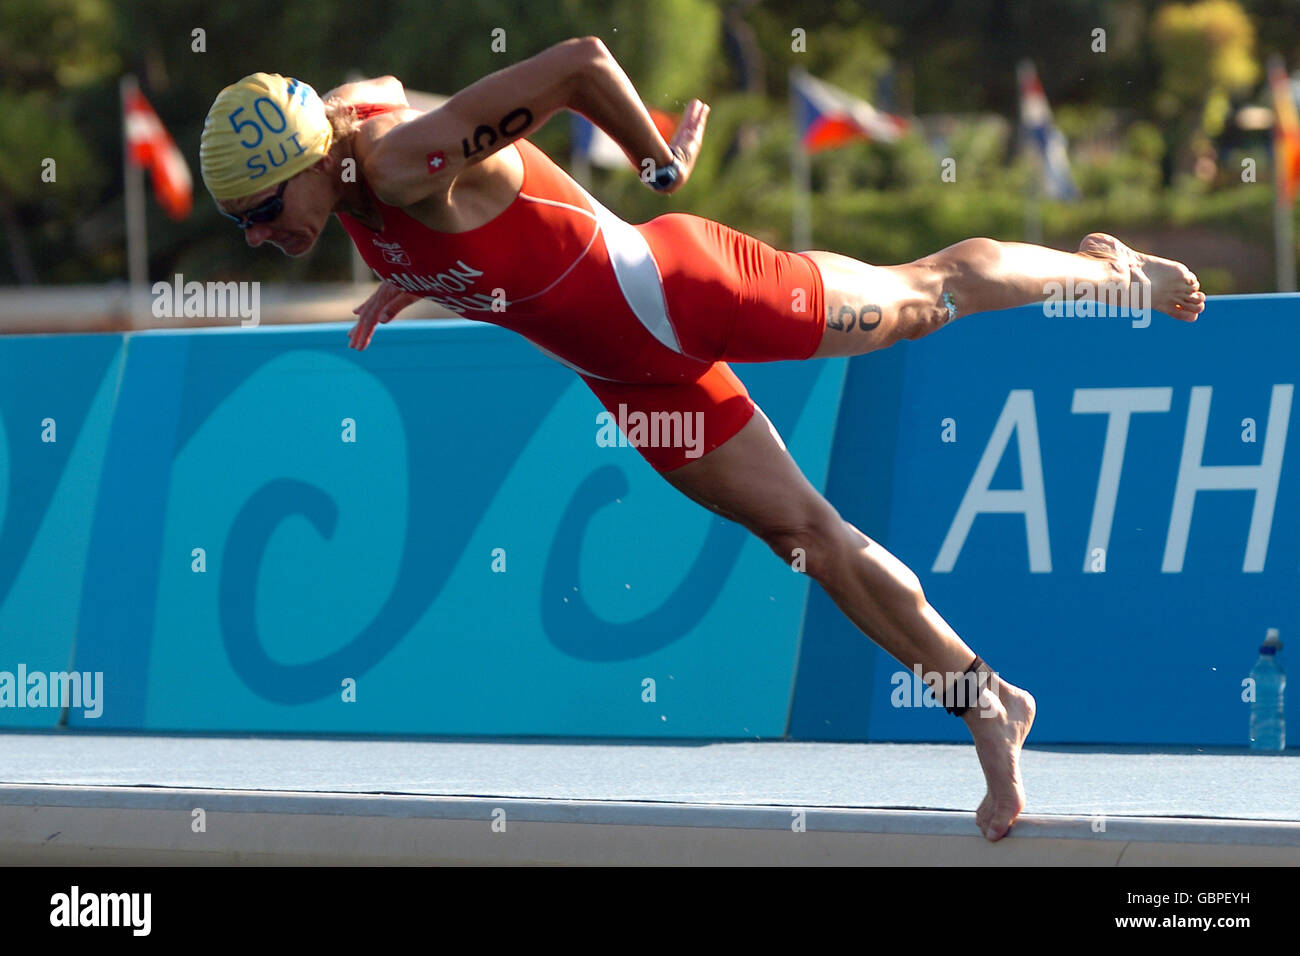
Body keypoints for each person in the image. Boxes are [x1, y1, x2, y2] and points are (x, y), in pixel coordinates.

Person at [199, 36, 1206, 842]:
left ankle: (1117, 274)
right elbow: (380, 99)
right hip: (630, 374)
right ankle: (985, 700)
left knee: (924, 295)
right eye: (242, 221)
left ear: (314, 162)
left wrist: (656, 159)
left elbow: (582, 62)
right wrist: (419, 269)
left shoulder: (397, 156)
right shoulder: (354, 146)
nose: (258, 234)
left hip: (686, 294)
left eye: (262, 209)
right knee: (806, 537)